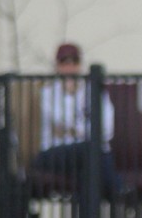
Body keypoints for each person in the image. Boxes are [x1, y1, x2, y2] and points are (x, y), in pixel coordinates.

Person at [29, 42, 125, 200]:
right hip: (53, 153)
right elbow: (60, 118)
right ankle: (118, 187)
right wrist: (84, 125)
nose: (69, 67)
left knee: (88, 171)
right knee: (94, 151)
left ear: (80, 65)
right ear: (57, 66)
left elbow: (107, 130)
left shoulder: (94, 92)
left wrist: (73, 130)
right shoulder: (47, 93)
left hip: (86, 155)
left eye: (74, 62)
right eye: (64, 62)